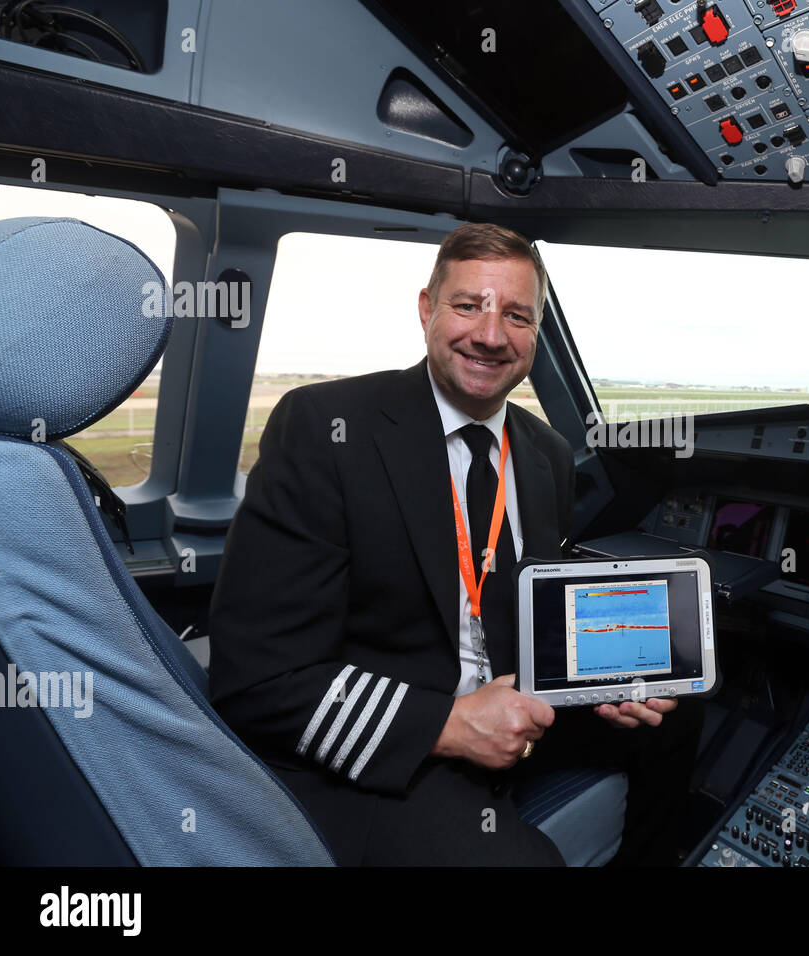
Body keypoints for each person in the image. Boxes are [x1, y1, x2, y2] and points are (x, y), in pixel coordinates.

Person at [208, 223, 699, 865]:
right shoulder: (325, 429)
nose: (491, 335)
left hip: (513, 701)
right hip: (396, 741)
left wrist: (595, 682)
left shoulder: (547, 453)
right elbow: (257, 680)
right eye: (468, 305)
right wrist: (449, 726)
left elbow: (529, 618)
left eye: (516, 315)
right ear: (427, 309)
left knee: (678, 715)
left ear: (536, 331)